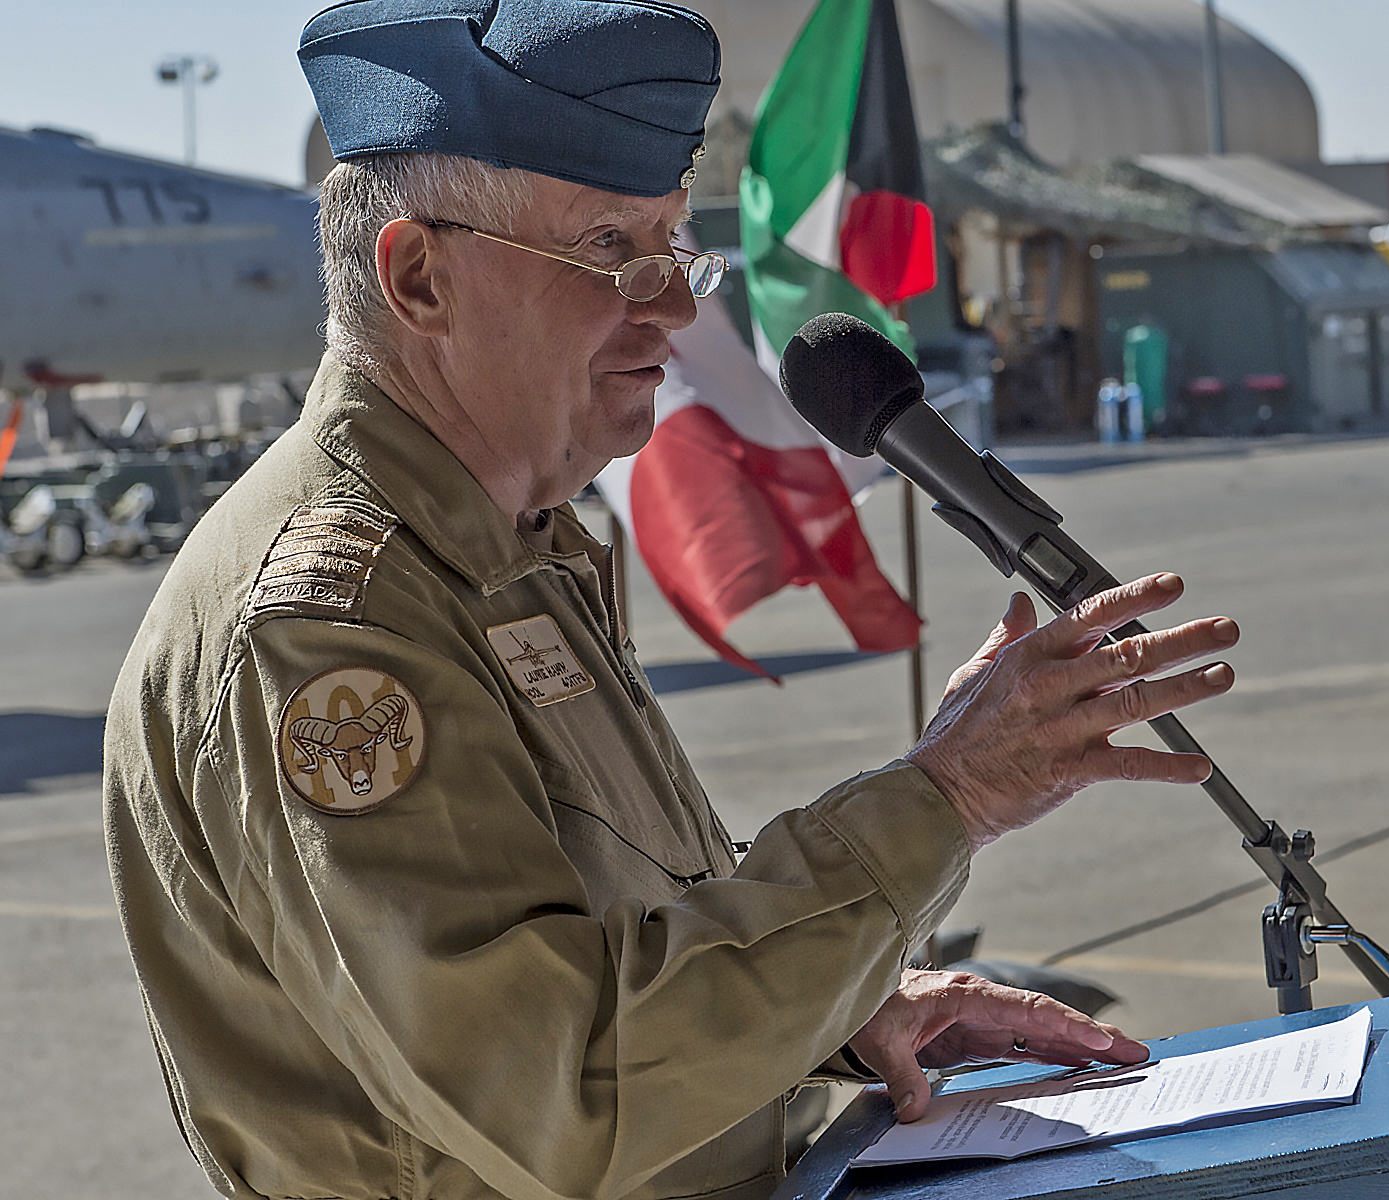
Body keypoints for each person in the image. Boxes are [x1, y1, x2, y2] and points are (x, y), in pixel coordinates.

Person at [102, 3, 1239, 1199]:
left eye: (672, 246)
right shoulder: (334, 624)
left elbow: (618, 964)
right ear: (420, 276)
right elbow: (562, 1100)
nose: (676, 306)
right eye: (605, 251)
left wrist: (844, 1019)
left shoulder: (506, 546)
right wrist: (942, 798)